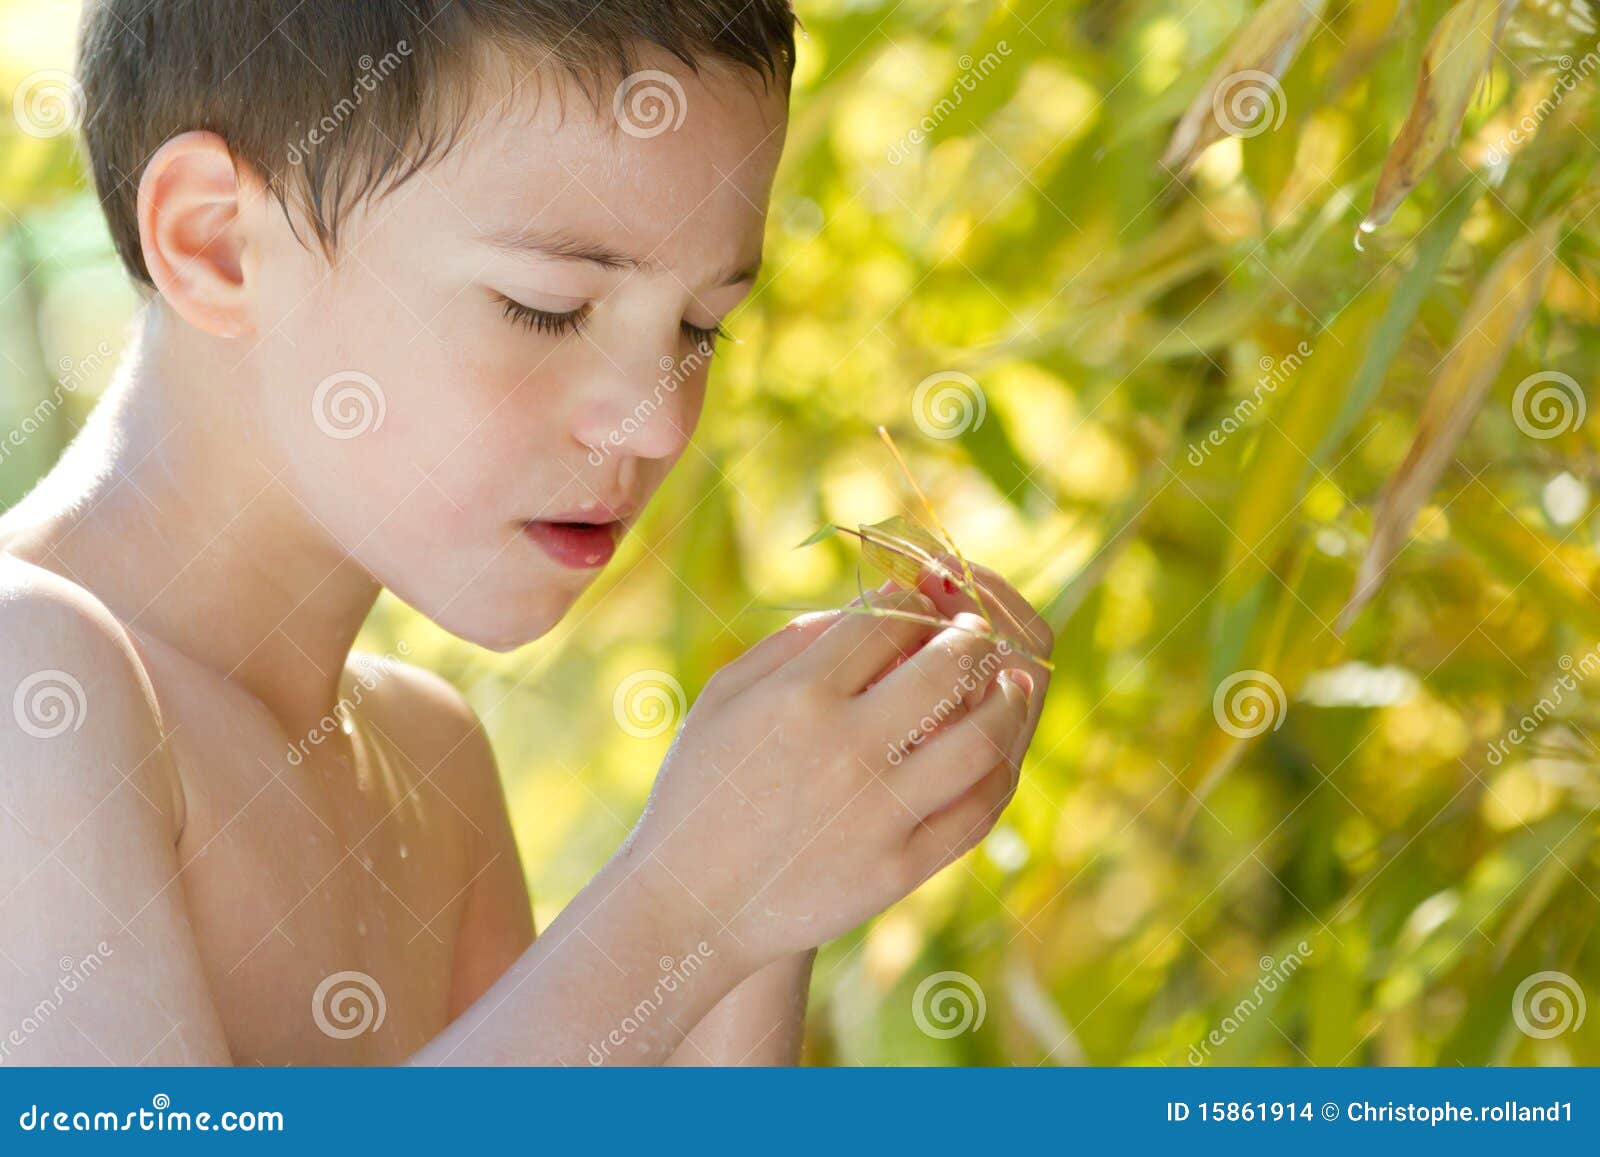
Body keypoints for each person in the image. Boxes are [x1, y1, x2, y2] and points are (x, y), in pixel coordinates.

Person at [0, 0, 1051, 1066]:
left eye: (699, 327)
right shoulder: (26, 673)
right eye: (547, 307)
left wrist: (769, 900)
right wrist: (689, 899)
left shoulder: (428, 758)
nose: (660, 418)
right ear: (219, 243)